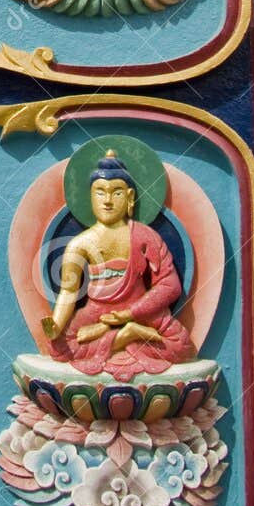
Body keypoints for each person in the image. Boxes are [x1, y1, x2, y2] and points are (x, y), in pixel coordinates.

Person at [41, 154, 195, 381]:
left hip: (143, 313)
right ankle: (124, 336)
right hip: (96, 313)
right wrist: (55, 325)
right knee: (61, 349)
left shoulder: (144, 236)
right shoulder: (80, 243)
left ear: (130, 197)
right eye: (100, 192)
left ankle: (130, 331)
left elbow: (169, 285)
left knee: (180, 346)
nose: (108, 200)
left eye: (117, 192)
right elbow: (69, 292)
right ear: (90, 198)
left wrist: (128, 314)